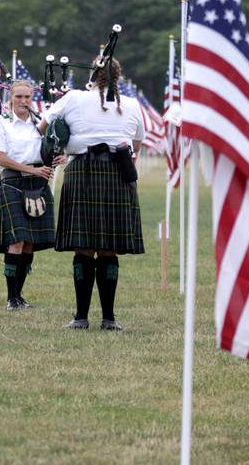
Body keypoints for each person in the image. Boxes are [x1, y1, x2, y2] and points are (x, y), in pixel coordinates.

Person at [38, 58, 145, 330]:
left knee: (83, 247)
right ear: (117, 77)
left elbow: (44, 128)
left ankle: (80, 317)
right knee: (109, 249)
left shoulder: (74, 97)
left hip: (82, 172)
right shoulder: (132, 104)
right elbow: (136, 142)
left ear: (94, 76)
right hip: (118, 175)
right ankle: (108, 319)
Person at [0, 79, 65, 311]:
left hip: (37, 183)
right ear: (11, 98)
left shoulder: (40, 124)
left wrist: (61, 157)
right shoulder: (1, 122)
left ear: (33, 98)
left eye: (27, 97)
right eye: (18, 97)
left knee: (30, 242)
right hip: (12, 182)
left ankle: (19, 295)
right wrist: (33, 169)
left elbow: (50, 148)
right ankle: (11, 299)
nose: (23, 101)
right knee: (17, 240)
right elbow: (1, 158)